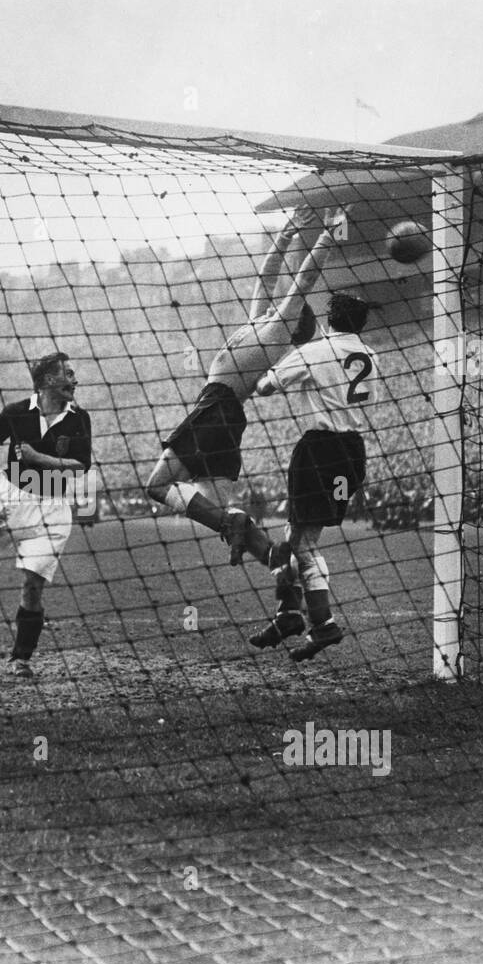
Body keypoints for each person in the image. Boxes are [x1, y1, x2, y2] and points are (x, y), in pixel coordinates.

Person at [145, 206, 344, 566]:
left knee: (158, 486)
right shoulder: (260, 322)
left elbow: (303, 282)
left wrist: (328, 236)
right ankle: (273, 557)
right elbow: (265, 279)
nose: (276, 300)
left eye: (284, 306)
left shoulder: (277, 332)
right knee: (215, 505)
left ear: (291, 319)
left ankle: (232, 524)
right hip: (224, 416)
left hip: (216, 409)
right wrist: (287, 233)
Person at [249, 290, 381, 661]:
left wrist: (287, 351)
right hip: (352, 457)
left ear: (329, 320)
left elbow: (265, 387)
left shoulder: (314, 351)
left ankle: (323, 625)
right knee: (297, 534)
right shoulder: (371, 354)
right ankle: (288, 615)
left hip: (319, 453)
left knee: (303, 542)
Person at [0, 352, 92, 678]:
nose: (75, 380)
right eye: (68, 374)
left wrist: (39, 458)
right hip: (13, 499)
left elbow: (81, 465)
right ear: (48, 381)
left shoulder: (79, 418)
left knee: (33, 584)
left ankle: (21, 658)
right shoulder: (16, 412)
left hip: (53, 509)